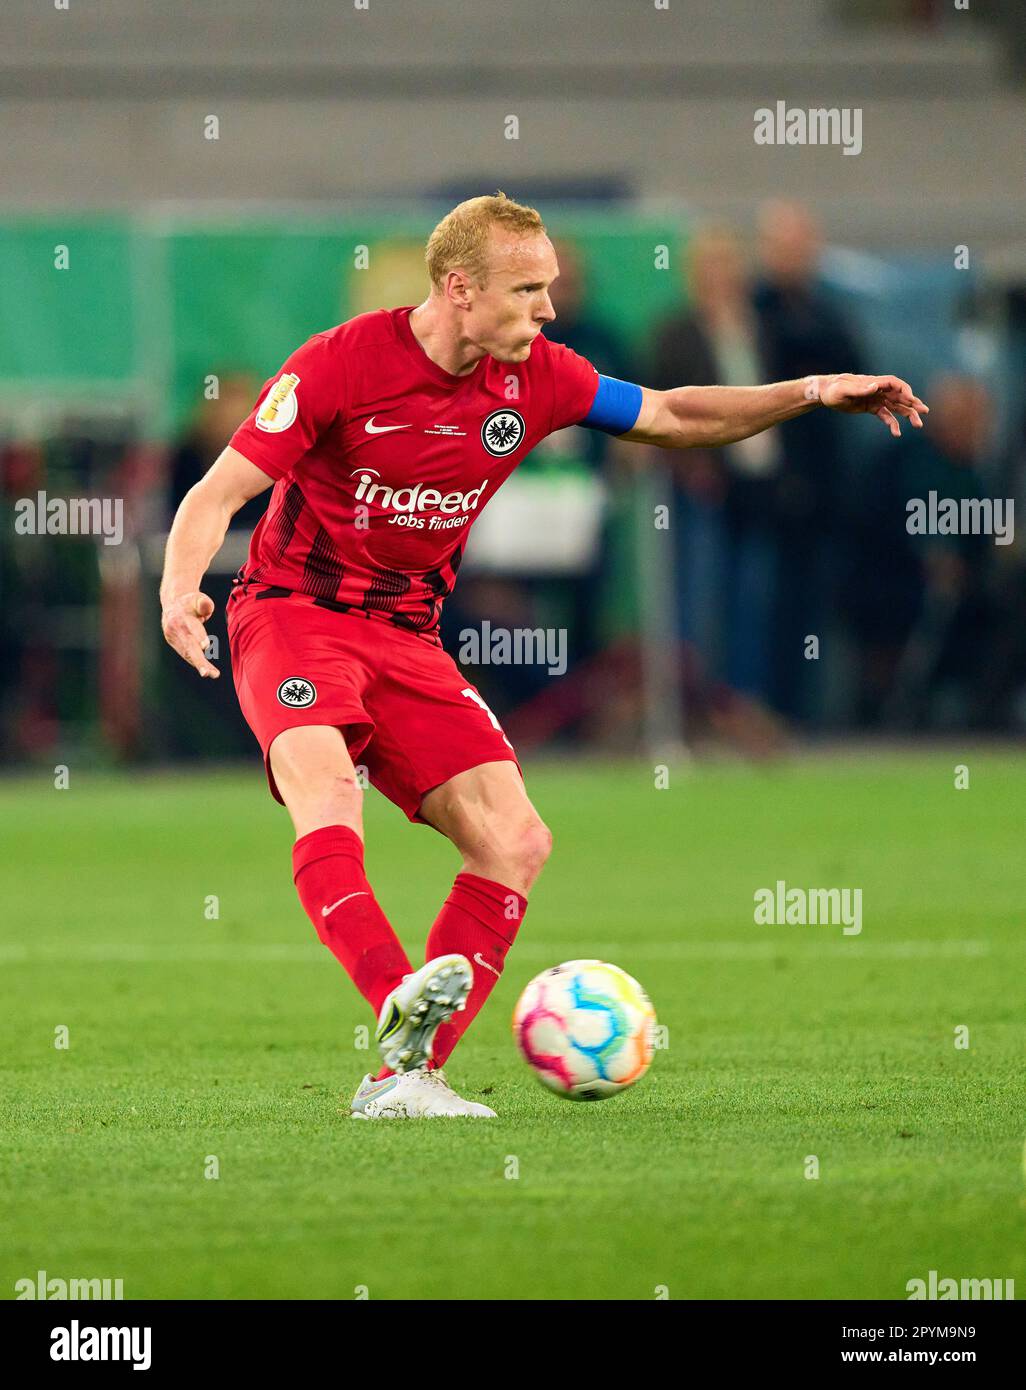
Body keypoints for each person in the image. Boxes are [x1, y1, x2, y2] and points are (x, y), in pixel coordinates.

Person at [159, 192, 927, 1119]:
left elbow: (676, 414)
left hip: (406, 634)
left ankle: (404, 1080)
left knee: (515, 840)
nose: (549, 310)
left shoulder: (541, 376)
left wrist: (809, 393)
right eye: (528, 290)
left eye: (550, 288)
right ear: (459, 289)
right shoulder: (341, 363)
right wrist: (177, 590)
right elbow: (215, 493)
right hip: (294, 614)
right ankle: (394, 1004)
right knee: (326, 788)